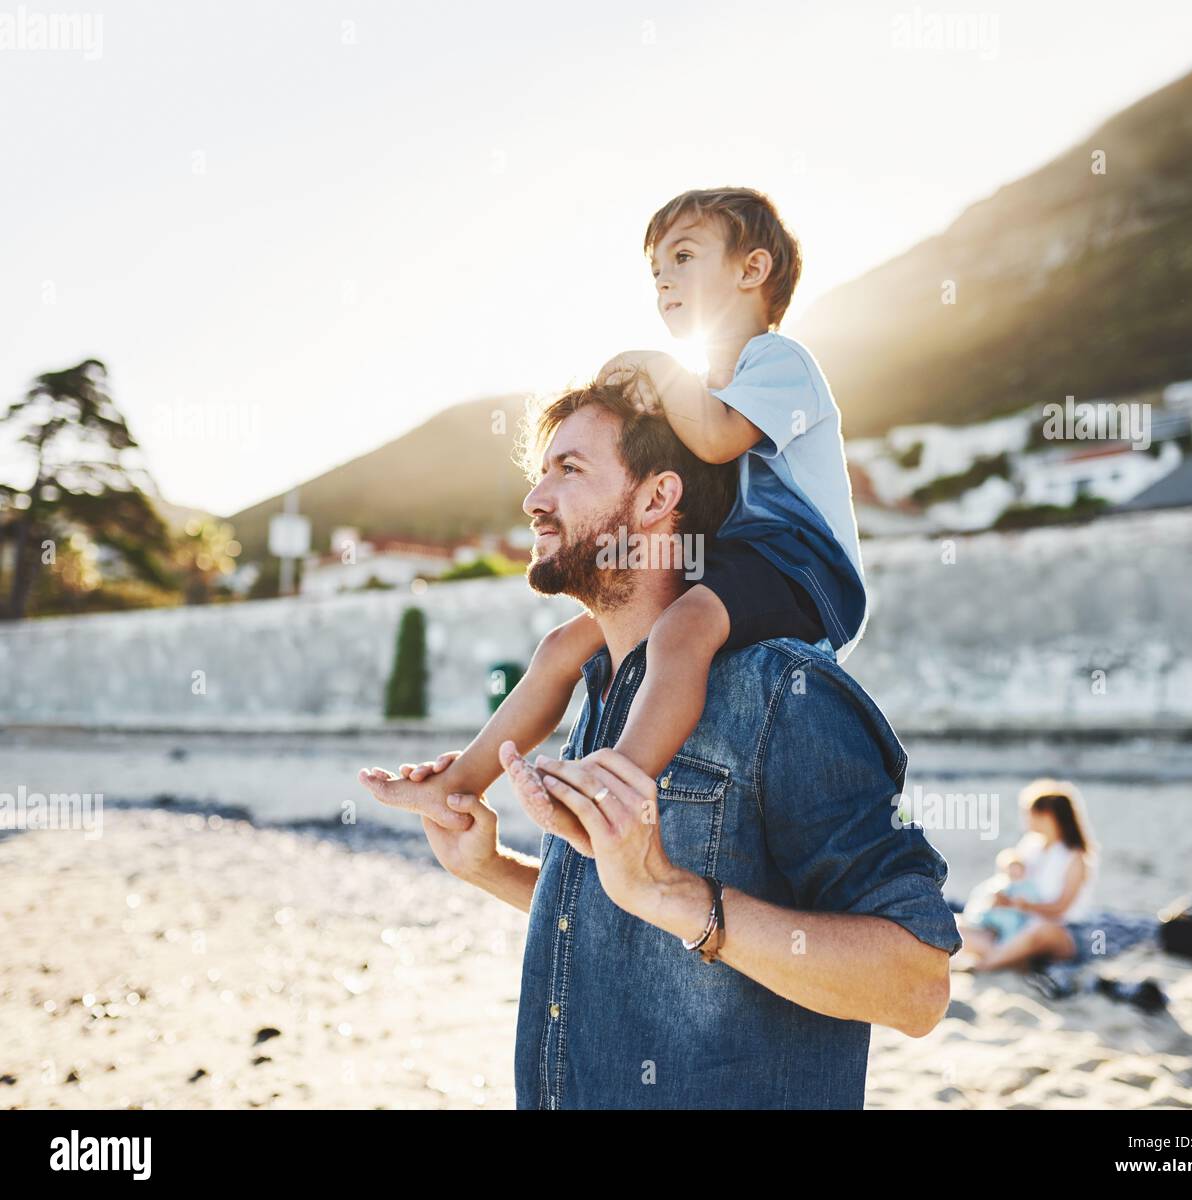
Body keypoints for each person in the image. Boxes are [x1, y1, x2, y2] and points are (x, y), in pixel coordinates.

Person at [359, 375, 961, 1109]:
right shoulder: (602, 689)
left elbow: (918, 983)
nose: (534, 499)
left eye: (569, 469)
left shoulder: (781, 693)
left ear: (655, 499)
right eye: (540, 470)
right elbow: (626, 918)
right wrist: (487, 868)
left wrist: (679, 896)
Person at [368, 186, 868, 825]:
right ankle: (459, 781)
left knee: (683, 631)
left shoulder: (779, 360)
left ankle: (615, 785)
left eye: (683, 258)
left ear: (752, 269)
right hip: (728, 555)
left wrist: (656, 367)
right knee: (561, 646)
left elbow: (716, 443)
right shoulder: (708, 384)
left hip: (803, 567)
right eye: (656, 274)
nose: (664, 285)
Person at [955, 779, 1100, 973]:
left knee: (1041, 932)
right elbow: (1011, 879)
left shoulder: (1075, 857)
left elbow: (1061, 909)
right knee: (957, 925)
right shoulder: (1031, 845)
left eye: (1030, 814)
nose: (1026, 820)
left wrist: (1024, 905)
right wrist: (1002, 899)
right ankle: (1013, 957)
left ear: (1048, 816)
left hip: (1060, 931)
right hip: (1017, 925)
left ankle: (986, 964)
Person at [963, 848, 1040, 943]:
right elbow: (979, 900)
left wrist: (1015, 903)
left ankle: (1006, 947)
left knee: (1010, 923)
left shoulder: (1027, 887)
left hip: (1014, 920)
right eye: (1011, 868)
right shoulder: (996, 883)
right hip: (989, 918)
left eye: (1017, 868)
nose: (1014, 872)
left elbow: (1032, 904)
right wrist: (992, 902)